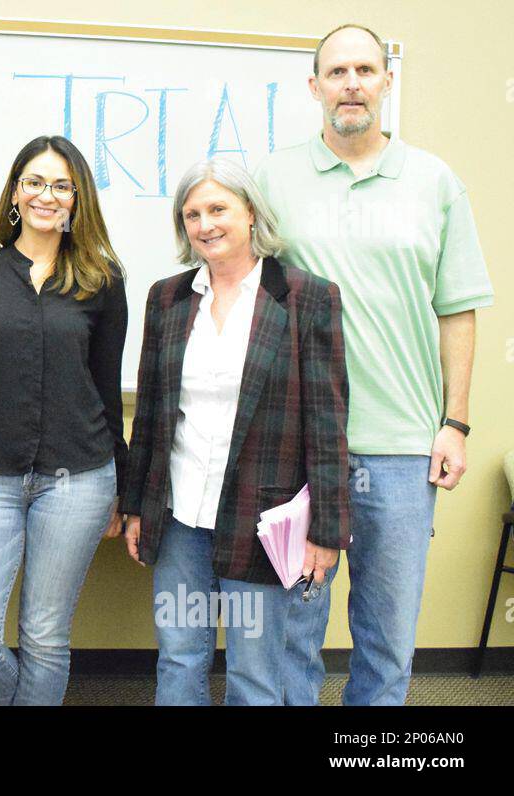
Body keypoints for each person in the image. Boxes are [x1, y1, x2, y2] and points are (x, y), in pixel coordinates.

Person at [254, 24, 495, 706]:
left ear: (387, 81)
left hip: (400, 450)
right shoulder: (274, 178)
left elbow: (458, 309)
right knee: (291, 635)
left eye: (365, 69)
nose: (351, 82)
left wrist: (456, 423)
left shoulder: (435, 181)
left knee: (387, 641)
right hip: (301, 448)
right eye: (337, 72)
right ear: (314, 87)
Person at [120, 158, 350, 705]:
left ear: (251, 213)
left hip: (261, 518)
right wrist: (135, 505)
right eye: (192, 214)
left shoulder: (305, 298)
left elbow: (327, 421)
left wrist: (327, 529)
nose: (205, 225)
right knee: (179, 656)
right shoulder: (167, 297)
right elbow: (151, 414)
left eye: (218, 209)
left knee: (255, 672)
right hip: (180, 518)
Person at [0, 135, 128, 705]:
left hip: (80, 478)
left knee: (43, 635)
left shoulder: (104, 282)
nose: (47, 194)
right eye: (35, 181)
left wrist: (124, 492)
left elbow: (107, 390)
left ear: (77, 199)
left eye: (62, 185)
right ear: (16, 192)